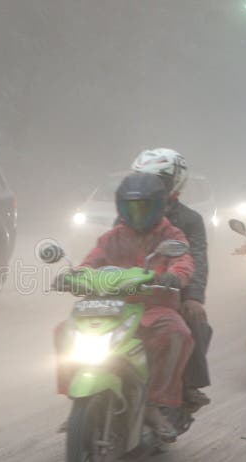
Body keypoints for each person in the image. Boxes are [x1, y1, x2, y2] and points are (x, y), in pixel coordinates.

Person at [68, 172, 195, 440]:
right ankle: (79, 398)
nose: (137, 214)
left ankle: (156, 403)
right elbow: (90, 263)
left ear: (158, 206)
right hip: (112, 307)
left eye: (143, 207)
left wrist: (174, 276)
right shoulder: (111, 237)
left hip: (154, 307)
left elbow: (183, 261)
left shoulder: (171, 235)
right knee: (63, 331)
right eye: (130, 207)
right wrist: (73, 276)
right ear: (121, 206)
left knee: (177, 334)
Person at [131, 148, 212, 411]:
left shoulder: (190, 220)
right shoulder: (127, 214)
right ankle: (87, 397)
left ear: (175, 182)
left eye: (157, 181)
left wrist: (193, 296)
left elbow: (196, 259)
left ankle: (188, 386)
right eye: (143, 179)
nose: (149, 187)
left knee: (194, 319)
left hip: (170, 293)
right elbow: (109, 253)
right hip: (130, 291)